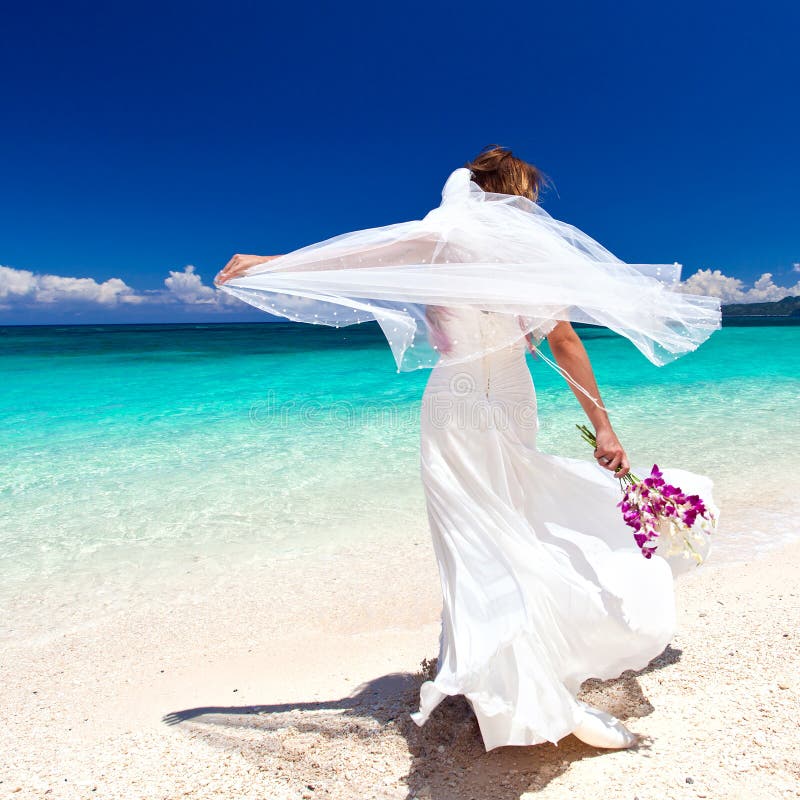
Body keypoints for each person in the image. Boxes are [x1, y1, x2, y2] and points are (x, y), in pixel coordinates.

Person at [214, 145, 720, 751]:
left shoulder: (442, 238)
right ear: (513, 193)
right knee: (511, 522)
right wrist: (604, 428)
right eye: (527, 194)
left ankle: (503, 677)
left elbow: (356, 256)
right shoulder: (531, 256)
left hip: (454, 399)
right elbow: (563, 344)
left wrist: (269, 264)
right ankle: (494, 667)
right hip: (511, 395)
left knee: (471, 533)